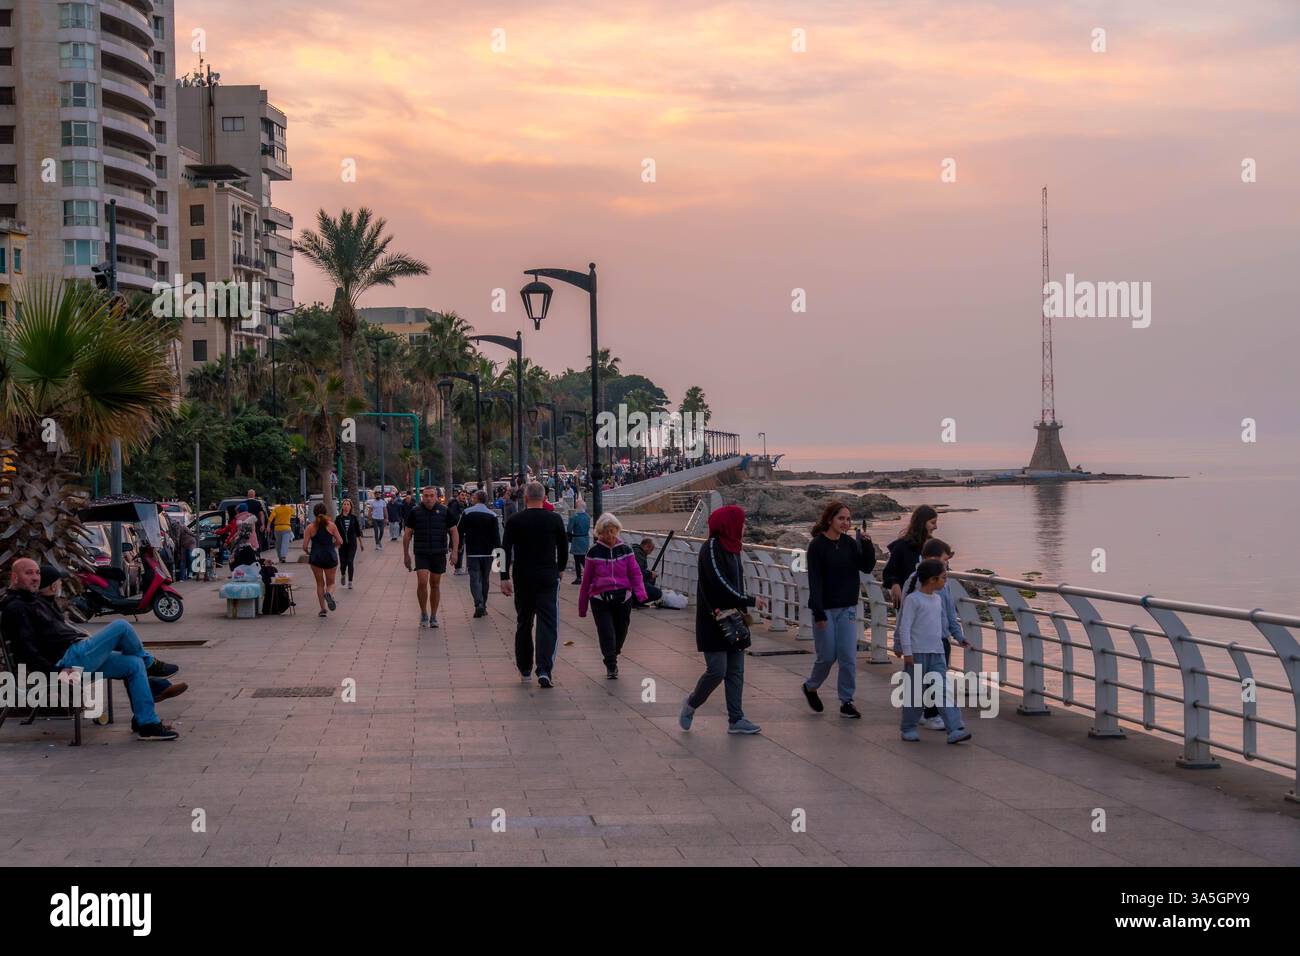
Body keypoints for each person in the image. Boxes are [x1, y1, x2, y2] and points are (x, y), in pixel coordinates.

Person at [0, 559, 181, 740]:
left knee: (133, 664)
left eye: (37, 573)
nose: (35, 578)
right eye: (28, 573)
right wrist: (57, 672)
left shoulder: (34, 601)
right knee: (121, 627)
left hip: (77, 656)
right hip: (68, 661)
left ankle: (146, 723)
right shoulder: (16, 607)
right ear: (15, 577)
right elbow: (26, 651)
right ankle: (150, 664)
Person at [678, 505, 767, 734]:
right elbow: (719, 583)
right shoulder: (712, 547)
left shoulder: (734, 549)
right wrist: (748, 600)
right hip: (714, 619)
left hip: (734, 619)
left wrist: (742, 606)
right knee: (717, 670)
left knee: (736, 671)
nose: (745, 526)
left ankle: (736, 720)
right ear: (729, 524)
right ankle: (691, 703)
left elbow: (735, 582)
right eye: (741, 522)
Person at [799, 501, 876, 719]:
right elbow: (814, 580)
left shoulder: (850, 543)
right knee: (827, 656)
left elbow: (867, 566)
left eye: (848, 519)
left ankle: (847, 701)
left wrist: (868, 545)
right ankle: (811, 686)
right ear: (829, 519)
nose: (845, 523)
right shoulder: (817, 546)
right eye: (841, 518)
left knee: (848, 657)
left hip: (848, 607)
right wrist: (818, 612)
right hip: (825, 609)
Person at [499, 481, 568, 687]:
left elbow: (503, 549)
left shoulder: (514, 520)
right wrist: (561, 569)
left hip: (523, 577)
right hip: (548, 576)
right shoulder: (554, 519)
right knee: (548, 623)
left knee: (524, 622)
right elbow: (563, 547)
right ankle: (544, 669)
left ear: (525, 498)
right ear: (545, 497)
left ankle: (525, 668)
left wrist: (503, 577)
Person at [896, 559, 970, 744]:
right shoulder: (913, 600)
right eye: (944, 578)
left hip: (936, 653)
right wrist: (907, 652)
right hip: (917, 654)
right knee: (915, 693)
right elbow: (905, 627)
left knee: (942, 690)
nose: (946, 582)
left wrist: (958, 637)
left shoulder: (937, 599)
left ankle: (955, 728)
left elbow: (941, 624)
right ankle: (908, 727)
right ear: (932, 579)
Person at [578, 513, 647, 679]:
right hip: (600, 599)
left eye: (613, 531)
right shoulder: (594, 552)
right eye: (607, 531)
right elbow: (586, 580)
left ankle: (613, 653)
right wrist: (582, 606)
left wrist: (640, 593)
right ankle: (611, 664)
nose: (610, 535)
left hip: (623, 598)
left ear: (618, 531)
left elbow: (635, 573)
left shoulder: (626, 550)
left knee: (621, 631)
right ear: (600, 533)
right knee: (606, 632)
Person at [402, 485, 458, 629]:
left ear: (437, 497)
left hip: (439, 552)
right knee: (422, 582)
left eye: (431, 495)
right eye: (426, 496)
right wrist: (406, 555)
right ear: (422, 497)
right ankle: (423, 613)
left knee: (435, 583)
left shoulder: (445, 511)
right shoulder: (415, 512)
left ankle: (433, 615)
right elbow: (407, 534)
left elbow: (454, 532)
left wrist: (454, 552)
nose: (428, 498)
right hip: (421, 552)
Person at [882, 504, 938, 610]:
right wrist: (894, 584)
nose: (936, 527)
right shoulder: (902, 546)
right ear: (922, 523)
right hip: (908, 603)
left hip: (931, 602)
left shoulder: (933, 545)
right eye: (932, 523)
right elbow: (889, 571)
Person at [459, 491, 501, 618]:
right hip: (488, 553)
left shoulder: (467, 512)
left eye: (473, 497)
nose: (471, 499)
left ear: (477, 499)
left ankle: (478, 604)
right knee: (485, 580)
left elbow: (460, 531)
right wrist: (499, 555)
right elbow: (496, 537)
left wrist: (457, 546)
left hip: (473, 552)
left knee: (474, 579)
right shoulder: (492, 515)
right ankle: (484, 605)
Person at [304, 503, 343, 618]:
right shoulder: (331, 526)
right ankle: (329, 593)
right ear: (326, 512)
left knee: (320, 583)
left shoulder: (310, 527)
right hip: (330, 555)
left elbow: (305, 546)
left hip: (316, 557)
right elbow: (340, 541)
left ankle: (322, 609)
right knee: (331, 583)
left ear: (314, 513)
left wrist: (308, 553)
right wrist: (332, 546)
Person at [335, 497, 364, 590]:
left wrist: (361, 543)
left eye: (348, 504)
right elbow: (335, 531)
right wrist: (336, 542)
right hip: (342, 544)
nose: (346, 506)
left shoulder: (353, 518)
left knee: (350, 562)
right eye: (344, 504)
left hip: (352, 544)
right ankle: (343, 574)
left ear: (350, 507)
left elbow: (358, 531)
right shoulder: (338, 518)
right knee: (343, 563)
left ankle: (350, 581)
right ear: (342, 507)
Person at [633, 538, 664, 605]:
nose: (650, 553)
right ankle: (636, 600)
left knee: (651, 579)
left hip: (632, 581)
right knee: (658, 593)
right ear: (646, 546)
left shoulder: (636, 551)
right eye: (651, 550)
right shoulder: (638, 554)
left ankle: (637, 598)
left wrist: (649, 573)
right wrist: (650, 573)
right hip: (633, 583)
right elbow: (638, 573)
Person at [566, 500, 590, 585]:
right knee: (584, 559)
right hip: (585, 538)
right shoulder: (587, 517)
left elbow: (569, 529)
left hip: (577, 539)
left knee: (577, 560)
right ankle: (589, 575)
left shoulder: (574, 517)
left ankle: (579, 578)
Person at [268, 496, 296, 563]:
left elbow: (270, 518)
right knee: (285, 543)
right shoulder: (289, 509)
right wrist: (293, 507)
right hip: (287, 528)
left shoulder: (276, 509)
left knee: (278, 544)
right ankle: (283, 556)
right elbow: (294, 514)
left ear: (280, 502)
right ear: (286, 503)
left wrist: (268, 526)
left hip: (277, 528)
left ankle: (280, 557)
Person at [447, 490, 467, 575]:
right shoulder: (455, 505)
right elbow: (454, 518)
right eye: (462, 495)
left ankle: (458, 566)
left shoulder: (461, 504)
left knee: (460, 547)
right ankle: (457, 568)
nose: (464, 497)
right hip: (457, 529)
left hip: (460, 529)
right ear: (458, 496)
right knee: (458, 547)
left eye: (465, 495)